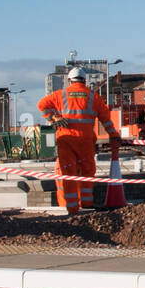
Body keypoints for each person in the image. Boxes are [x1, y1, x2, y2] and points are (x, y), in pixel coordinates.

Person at [38, 67, 118, 214]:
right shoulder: (93, 97)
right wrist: (113, 135)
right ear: (84, 80)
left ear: (69, 80)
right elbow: (106, 119)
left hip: (66, 140)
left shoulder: (60, 95)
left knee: (68, 174)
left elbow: (42, 105)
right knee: (88, 172)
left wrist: (54, 118)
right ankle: (87, 203)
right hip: (86, 141)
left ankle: (73, 208)